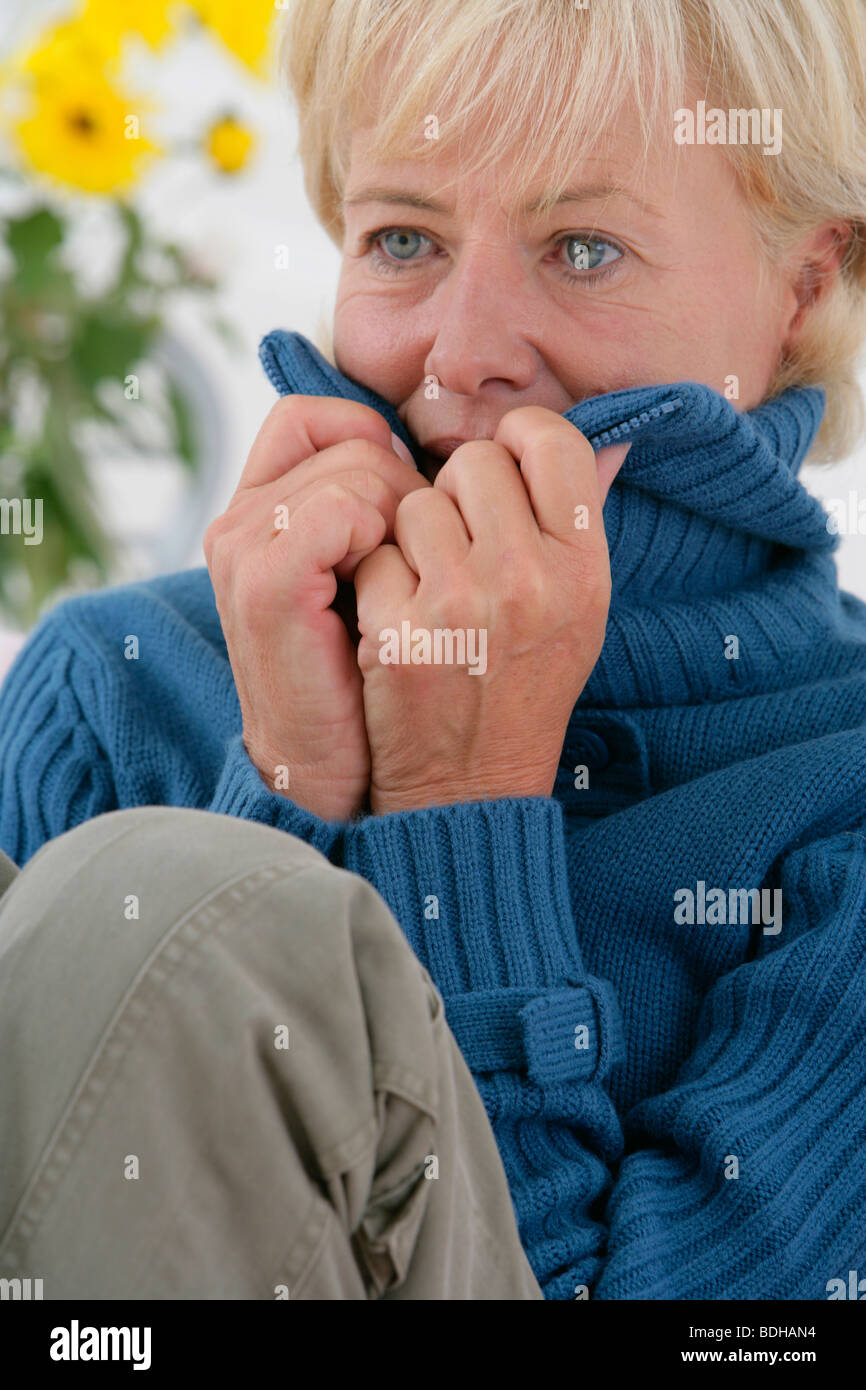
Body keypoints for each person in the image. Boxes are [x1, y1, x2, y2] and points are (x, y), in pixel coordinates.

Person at [1, 0, 866, 1299]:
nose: (460, 357)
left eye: (582, 246)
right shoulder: (105, 685)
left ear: (802, 288)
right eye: (403, 237)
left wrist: (459, 813)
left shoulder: (843, 798)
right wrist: (294, 782)